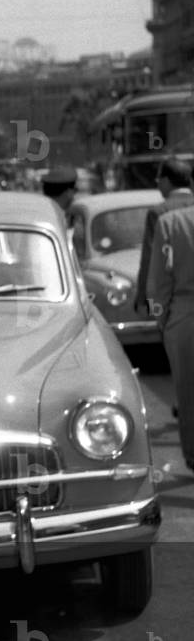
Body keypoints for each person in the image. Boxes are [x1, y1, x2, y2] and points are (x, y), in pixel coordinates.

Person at [147, 201, 194, 471]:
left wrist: (161, 317)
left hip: (184, 314)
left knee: (187, 391)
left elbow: (159, 281)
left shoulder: (171, 223)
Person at [135, 157, 193, 316]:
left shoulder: (159, 213)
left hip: (174, 300)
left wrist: (143, 299)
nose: (158, 184)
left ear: (167, 180)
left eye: (158, 179)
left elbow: (150, 258)